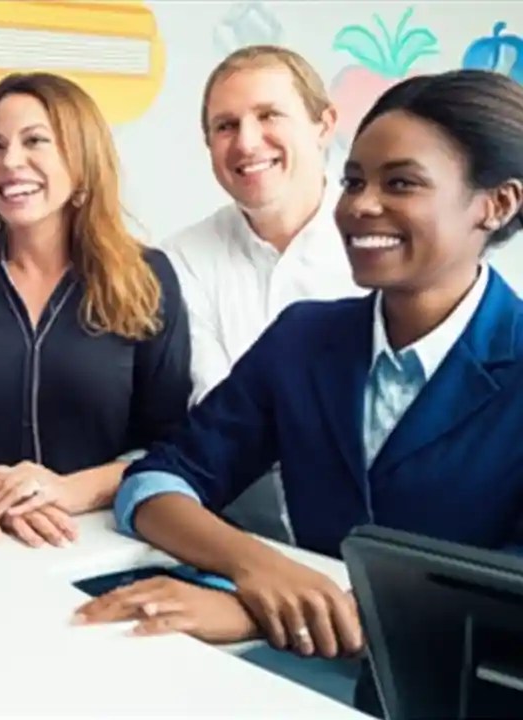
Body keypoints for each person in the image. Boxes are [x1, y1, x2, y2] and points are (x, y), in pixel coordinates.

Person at [79, 69, 523, 717]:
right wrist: (255, 567)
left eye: (401, 183)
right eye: (354, 181)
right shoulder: (305, 339)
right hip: (304, 689)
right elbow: (157, 482)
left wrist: (259, 612)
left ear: (497, 204)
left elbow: (505, 600)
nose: (360, 206)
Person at [0, 72, 192, 548]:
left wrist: (67, 491)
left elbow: (169, 441)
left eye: (34, 141)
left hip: (101, 538)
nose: (10, 162)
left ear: (81, 158)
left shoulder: (148, 277)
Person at [160, 46, 364, 543]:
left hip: (373, 550)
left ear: (324, 125)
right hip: (232, 542)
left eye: (269, 115)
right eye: (225, 126)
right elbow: (215, 415)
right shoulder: (179, 259)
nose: (247, 142)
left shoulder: (379, 246)